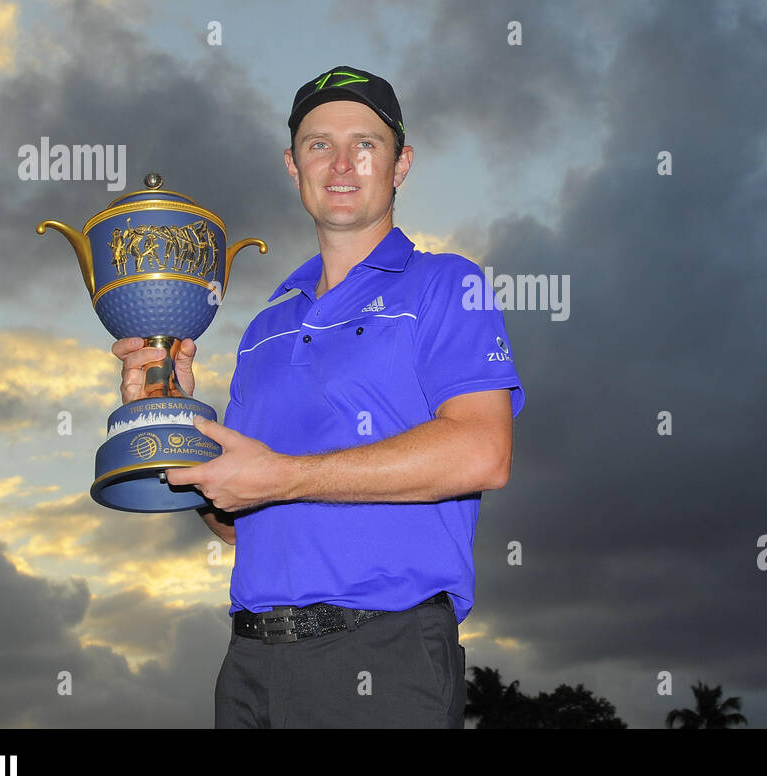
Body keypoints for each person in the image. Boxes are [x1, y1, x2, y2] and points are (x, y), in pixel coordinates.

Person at [111, 65, 525, 728]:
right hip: (249, 665)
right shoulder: (263, 327)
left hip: (384, 655)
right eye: (317, 144)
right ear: (292, 164)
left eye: (365, 143)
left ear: (402, 163)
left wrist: (286, 475)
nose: (340, 162)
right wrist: (174, 415)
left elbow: (483, 450)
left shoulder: (449, 284)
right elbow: (237, 521)